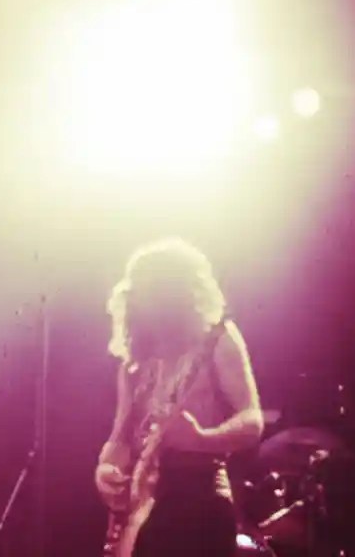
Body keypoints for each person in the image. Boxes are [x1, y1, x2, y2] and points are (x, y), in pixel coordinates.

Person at [94, 238, 265, 557]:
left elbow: (252, 420)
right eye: (139, 294)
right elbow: (120, 437)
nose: (145, 305)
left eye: (153, 293)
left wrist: (203, 438)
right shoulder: (134, 364)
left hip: (200, 505)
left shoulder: (217, 340)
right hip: (140, 515)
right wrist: (105, 470)